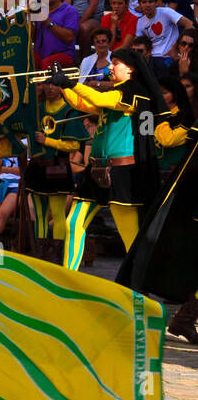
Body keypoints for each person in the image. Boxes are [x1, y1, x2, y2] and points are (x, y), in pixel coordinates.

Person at [45, 48, 166, 271]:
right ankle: (68, 279)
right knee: (73, 224)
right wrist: (63, 85)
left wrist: (70, 83)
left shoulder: (135, 91)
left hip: (122, 172)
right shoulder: (118, 91)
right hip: (96, 169)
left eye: (116, 63)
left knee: (129, 235)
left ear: (130, 68)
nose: (110, 66)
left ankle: (137, 287)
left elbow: (101, 98)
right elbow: (84, 105)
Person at [26, 81, 89, 262]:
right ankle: (40, 255)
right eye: (46, 84)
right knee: (39, 213)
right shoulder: (37, 109)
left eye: (54, 84)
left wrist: (48, 141)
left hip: (57, 165)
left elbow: (74, 145)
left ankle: (56, 255)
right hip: (37, 165)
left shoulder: (69, 111)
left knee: (58, 212)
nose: (50, 88)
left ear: (61, 87)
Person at [134, 0, 193, 74]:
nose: (148, 5)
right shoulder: (140, 22)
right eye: (144, 2)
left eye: (151, 1)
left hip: (168, 58)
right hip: (151, 58)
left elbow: (189, 25)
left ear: (156, 1)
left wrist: (175, 47)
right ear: (139, 4)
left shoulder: (166, 12)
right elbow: (138, 42)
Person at [31, 0, 78, 69]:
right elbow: (33, 38)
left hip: (63, 54)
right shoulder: (40, 10)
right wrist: (31, 21)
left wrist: (48, 22)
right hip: (41, 54)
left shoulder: (69, 10)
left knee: (47, 64)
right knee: (25, 60)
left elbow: (69, 37)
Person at [156, 76, 195, 179]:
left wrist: (161, 118)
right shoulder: (149, 114)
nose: (159, 96)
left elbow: (167, 140)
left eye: (164, 93)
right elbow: (144, 137)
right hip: (152, 171)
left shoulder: (186, 116)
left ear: (175, 95)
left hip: (175, 174)